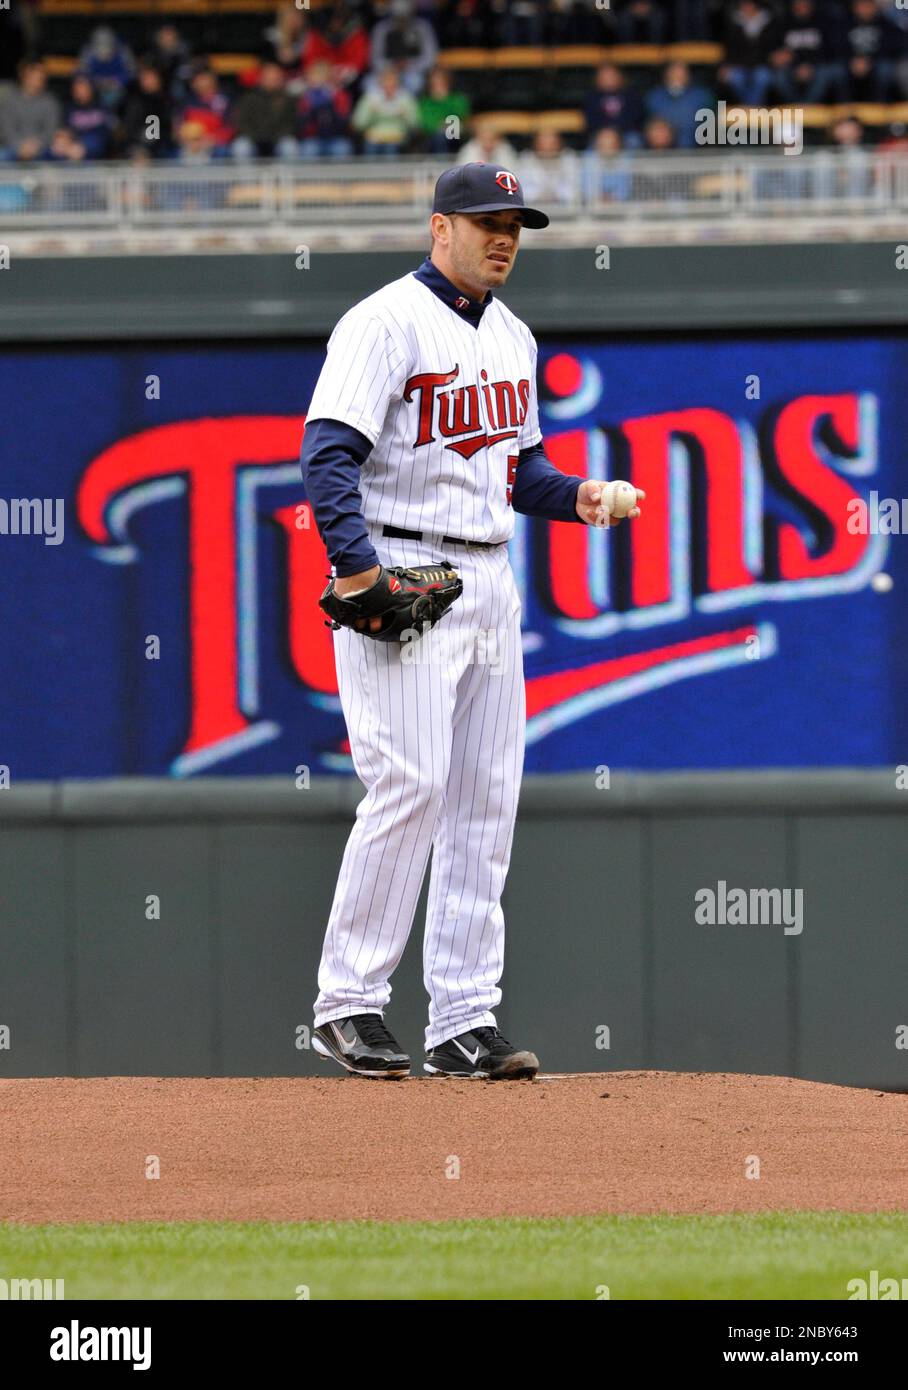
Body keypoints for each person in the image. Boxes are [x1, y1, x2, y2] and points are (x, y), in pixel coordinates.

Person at [299, 163, 643, 1080]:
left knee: (486, 800)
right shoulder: (382, 322)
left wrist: (587, 498)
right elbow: (328, 454)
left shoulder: (515, 337)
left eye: (514, 224)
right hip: (405, 563)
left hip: (490, 579)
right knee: (409, 782)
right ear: (438, 226)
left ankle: (462, 1017)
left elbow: (520, 475)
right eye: (485, 220)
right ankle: (349, 1003)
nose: (502, 237)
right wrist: (357, 566)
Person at [369, 0, 438, 96]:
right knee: (369, 84)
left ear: (412, 13)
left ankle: (406, 110)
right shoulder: (381, 29)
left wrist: (410, 65)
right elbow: (375, 58)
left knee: (415, 83)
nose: (401, 20)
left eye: (405, 16)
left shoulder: (423, 27)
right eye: (398, 17)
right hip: (386, 71)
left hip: (414, 72)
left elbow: (430, 57)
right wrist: (391, 67)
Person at [231, 60, 298, 159]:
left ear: (281, 79)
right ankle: (245, 175)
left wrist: (273, 138)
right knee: (241, 147)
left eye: (276, 78)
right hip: (253, 138)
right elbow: (242, 123)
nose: (272, 80)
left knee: (290, 146)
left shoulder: (289, 99)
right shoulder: (249, 98)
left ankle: (286, 174)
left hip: (279, 139)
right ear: (261, 78)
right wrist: (258, 137)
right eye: (269, 77)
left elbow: (292, 123)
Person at [0, 60, 61, 162]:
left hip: (41, 148)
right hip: (13, 148)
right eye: (37, 76)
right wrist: (20, 147)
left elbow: (51, 131)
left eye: (42, 77)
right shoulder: (9, 101)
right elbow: (6, 130)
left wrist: (35, 145)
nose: (40, 80)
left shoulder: (50, 102)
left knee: (59, 154)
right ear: (25, 76)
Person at [351, 65, 419, 155]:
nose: (389, 85)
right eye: (386, 81)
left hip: (397, 136)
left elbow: (415, 124)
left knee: (390, 147)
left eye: (392, 82)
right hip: (373, 136)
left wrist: (405, 114)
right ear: (380, 83)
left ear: (397, 83)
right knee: (371, 146)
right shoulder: (369, 98)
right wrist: (370, 113)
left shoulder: (405, 99)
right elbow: (358, 124)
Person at [645, 61, 714, 149]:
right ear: (667, 74)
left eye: (682, 73)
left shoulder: (701, 95)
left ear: (688, 75)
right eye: (674, 72)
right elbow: (649, 121)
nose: (678, 76)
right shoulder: (654, 96)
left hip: (693, 137)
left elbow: (710, 120)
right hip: (662, 138)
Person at [297, 61, 354, 158]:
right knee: (309, 150)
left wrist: (330, 105)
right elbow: (301, 125)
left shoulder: (340, 96)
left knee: (342, 149)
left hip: (335, 137)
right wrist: (312, 110)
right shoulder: (306, 97)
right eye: (315, 77)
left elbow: (344, 122)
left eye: (322, 77)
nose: (319, 81)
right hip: (313, 138)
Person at [584, 63, 645, 149]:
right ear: (598, 79)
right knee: (590, 152)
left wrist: (616, 133)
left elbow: (636, 117)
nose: (608, 79)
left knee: (635, 141)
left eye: (611, 75)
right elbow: (591, 120)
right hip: (602, 135)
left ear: (619, 77)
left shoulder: (631, 95)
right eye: (605, 76)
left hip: (626, 134)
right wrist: (607, 132)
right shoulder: (592, 98)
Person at [417, 66, 470, 154]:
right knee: (440, 137)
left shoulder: (457, 99)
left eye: (441, 82)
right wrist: (439, 125)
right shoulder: (426, 102)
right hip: (434, 134)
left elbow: (462, 114)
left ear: (447, 83)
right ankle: (441, 162)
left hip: (456, 130)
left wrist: (444, 100)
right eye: (435, 83)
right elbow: (425, 122)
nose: (438, 85)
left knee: (452, 131)